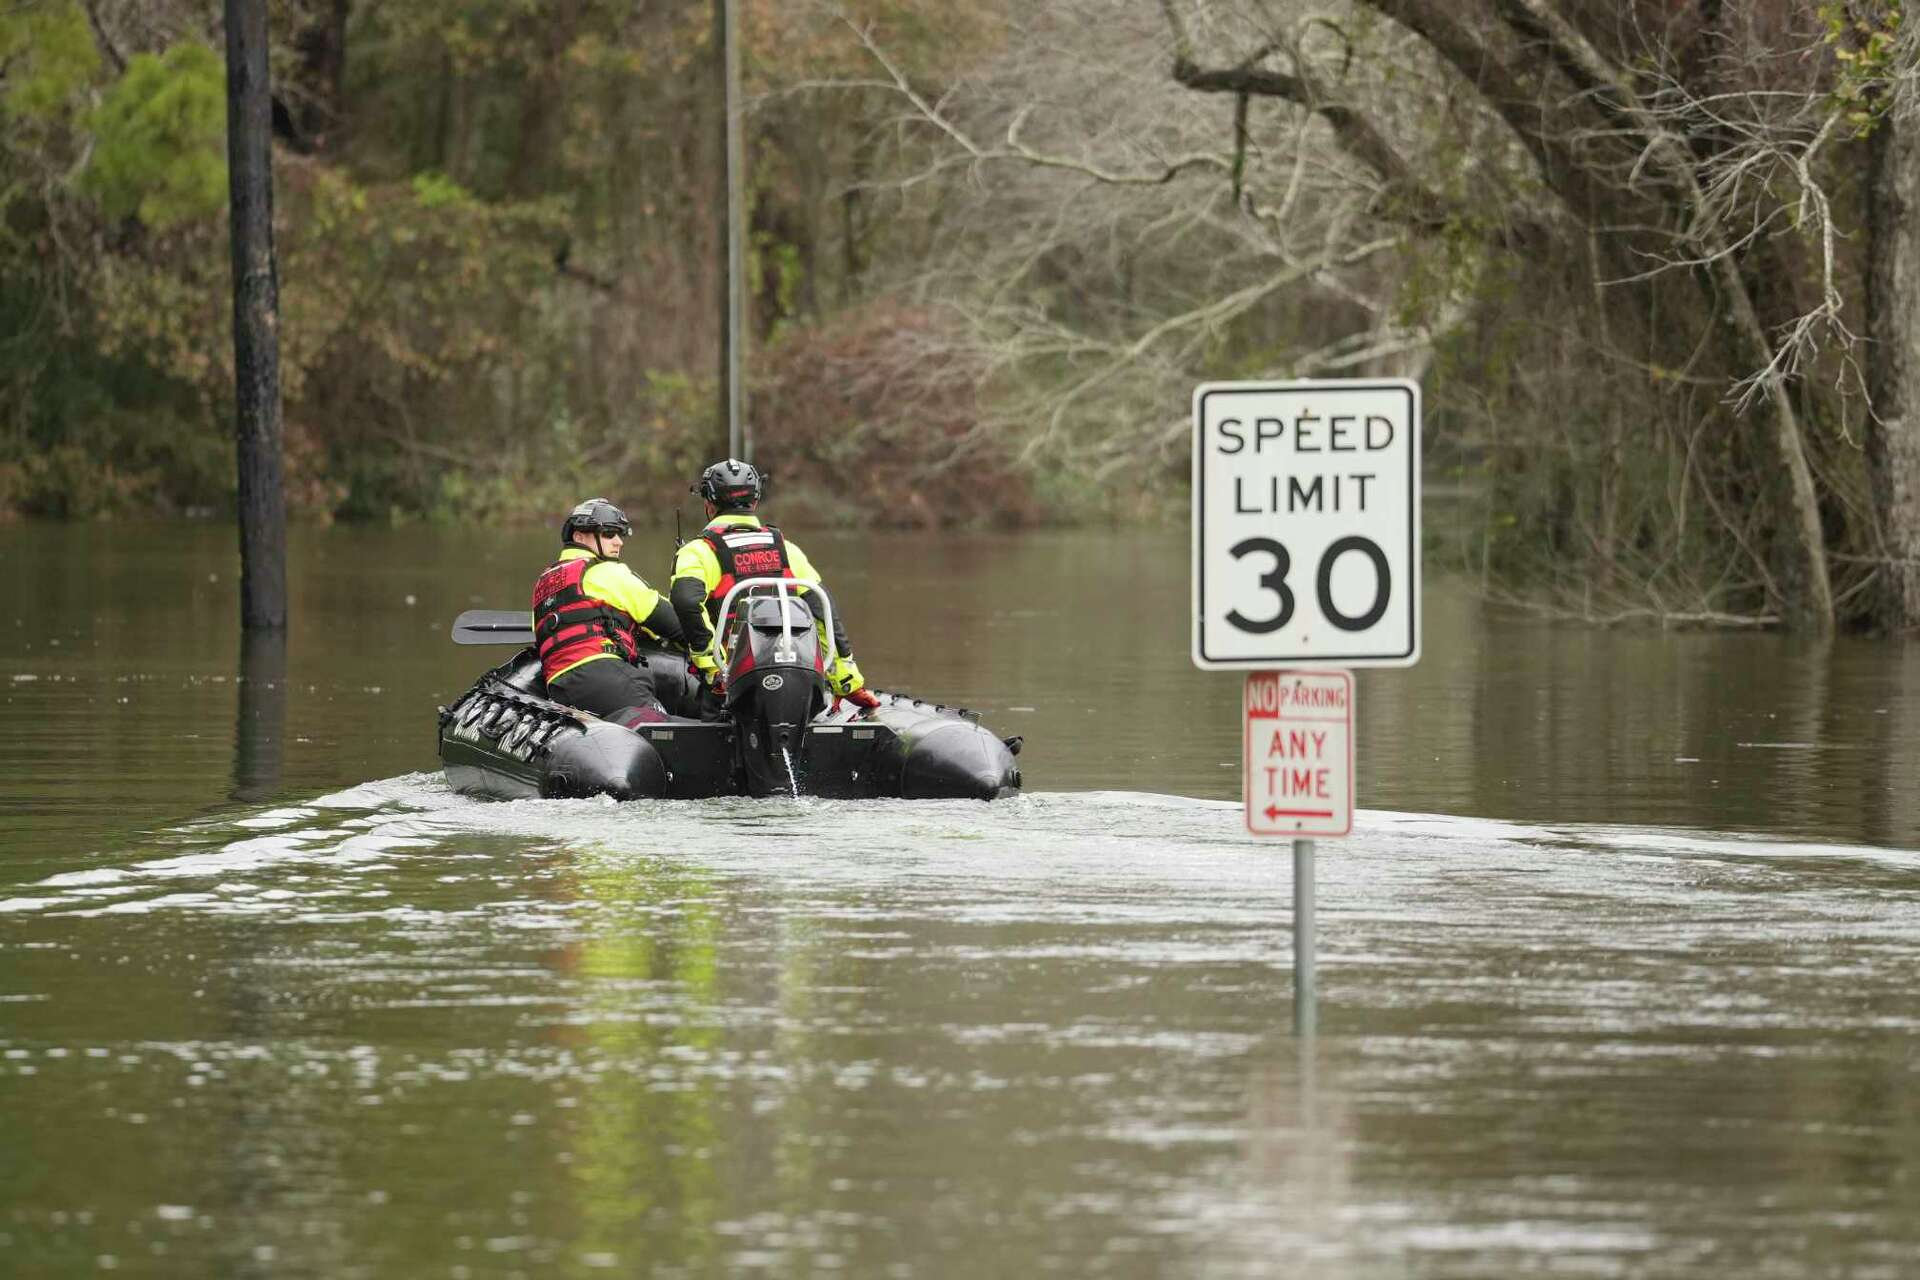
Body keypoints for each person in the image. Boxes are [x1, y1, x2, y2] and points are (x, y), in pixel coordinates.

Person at [670, 459, 880, 709]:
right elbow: (823, 611)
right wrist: (847, 682)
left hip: (730, 689)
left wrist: (712, 669)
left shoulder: (697, 552)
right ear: (755, 502)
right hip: (797, 686)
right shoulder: (787, 549)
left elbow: (686, 602)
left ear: (709, 504)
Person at [532, 497, 686, 719]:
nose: (618, 542)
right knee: (661, 726)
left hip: (558, 685)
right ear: (579, 536)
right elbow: (672, 622)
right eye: (608, 534)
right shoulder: (607, 572)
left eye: (620, 534)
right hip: (604, 673)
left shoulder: (544, 582)